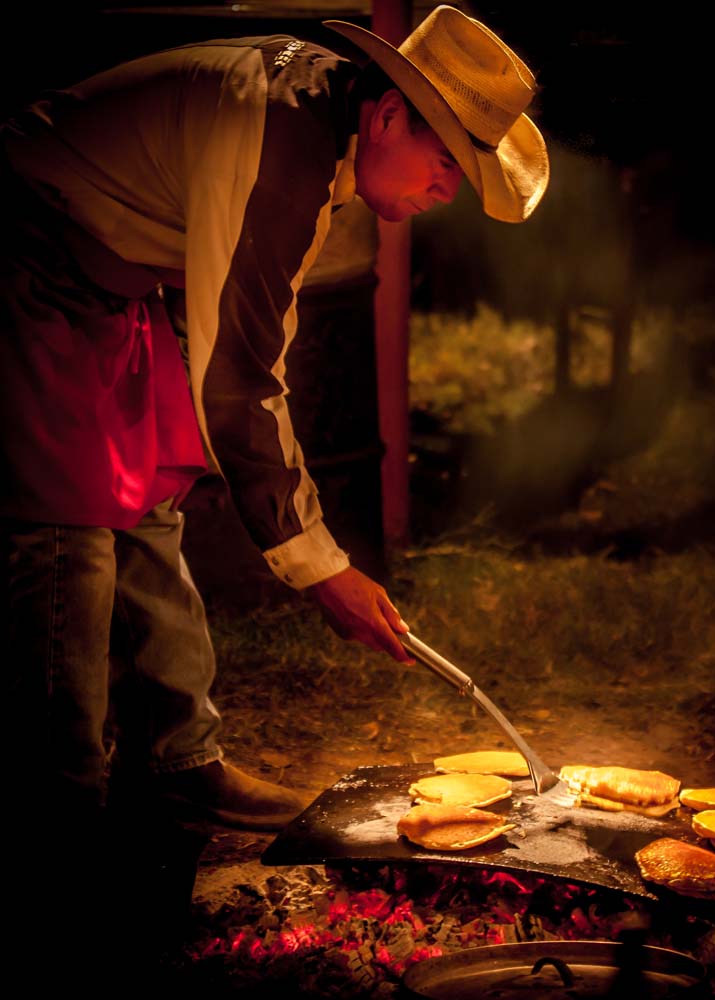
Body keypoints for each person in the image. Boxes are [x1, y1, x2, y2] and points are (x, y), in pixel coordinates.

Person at [1, 6, 549, 835]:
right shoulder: (283, 138)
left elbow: (243, 338)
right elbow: (240, 378)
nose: (447, 191)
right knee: (67, 540)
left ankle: (178, 760)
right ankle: (59, 812)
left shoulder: (325, 129)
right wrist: (322, 569)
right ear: (391, 114)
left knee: (147, 507)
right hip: (25, 248)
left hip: (106, 281)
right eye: (445, 164)